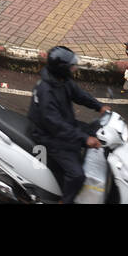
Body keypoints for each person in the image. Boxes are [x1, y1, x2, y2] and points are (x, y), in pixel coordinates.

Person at [27, 46, 110, 204]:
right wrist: (84, 139)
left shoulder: (62, 80)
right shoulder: (46, 92)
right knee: (77, 175)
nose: (74, 68)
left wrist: (99, 106)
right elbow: (56, 125)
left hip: (64, 125)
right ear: (62, 69)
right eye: (71, 66)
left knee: (96, 132)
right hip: (48, 136)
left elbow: (79, 95)